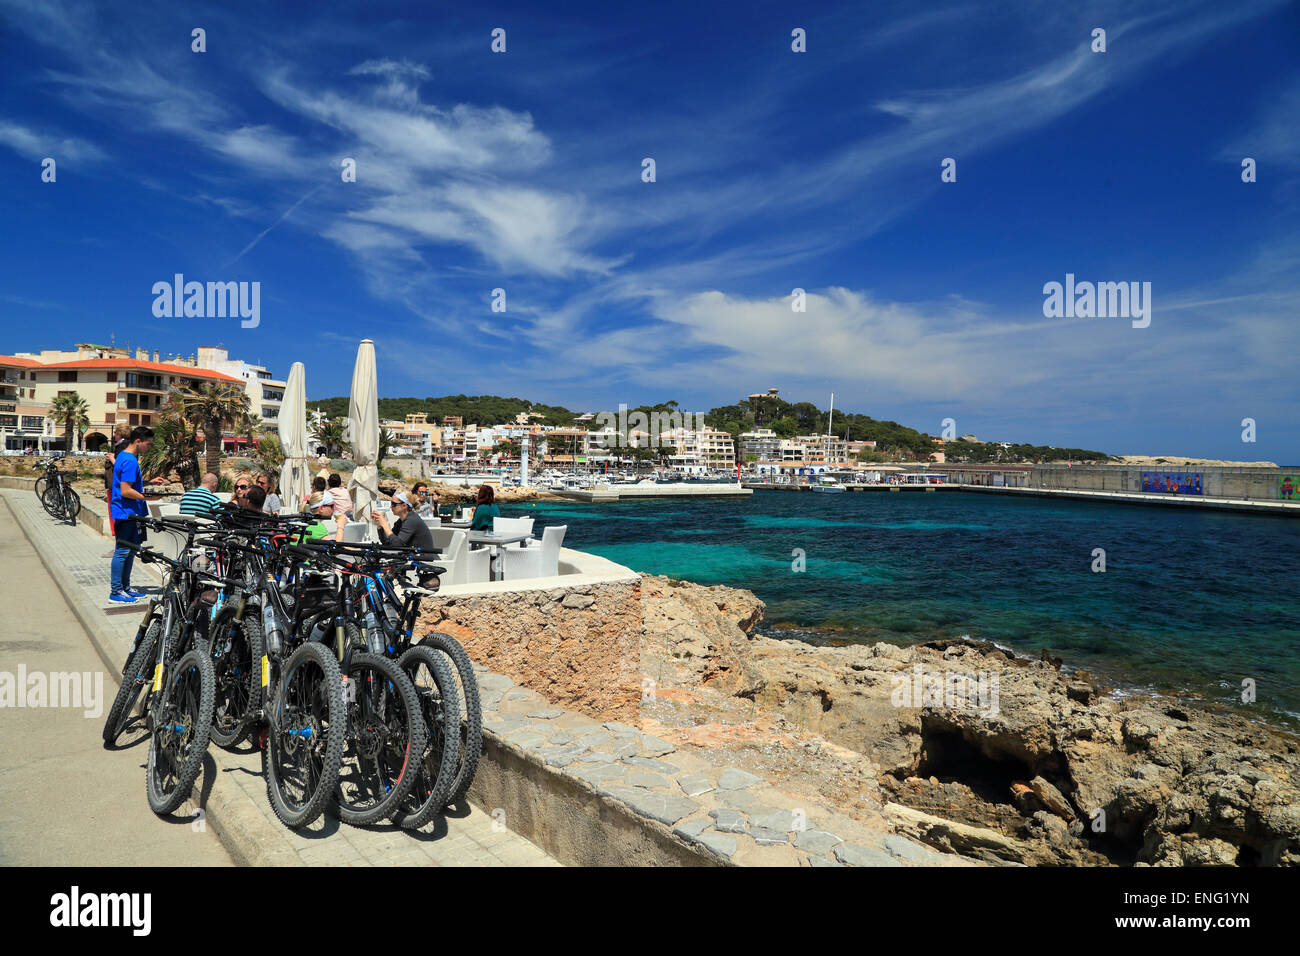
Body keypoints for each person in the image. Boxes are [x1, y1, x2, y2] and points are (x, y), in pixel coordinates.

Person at [109, 426, 154, 603]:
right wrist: (149, 496)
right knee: (123, 552)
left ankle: (125, 588)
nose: (148, 448)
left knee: (129, 551)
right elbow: (126, 491)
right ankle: (116, 591)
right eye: (148, 444)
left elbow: (130, 483)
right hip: (127, 513)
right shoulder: (130, 461)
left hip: (128, 512)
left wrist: (149, 482)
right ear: (138, 441)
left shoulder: (123, 456)